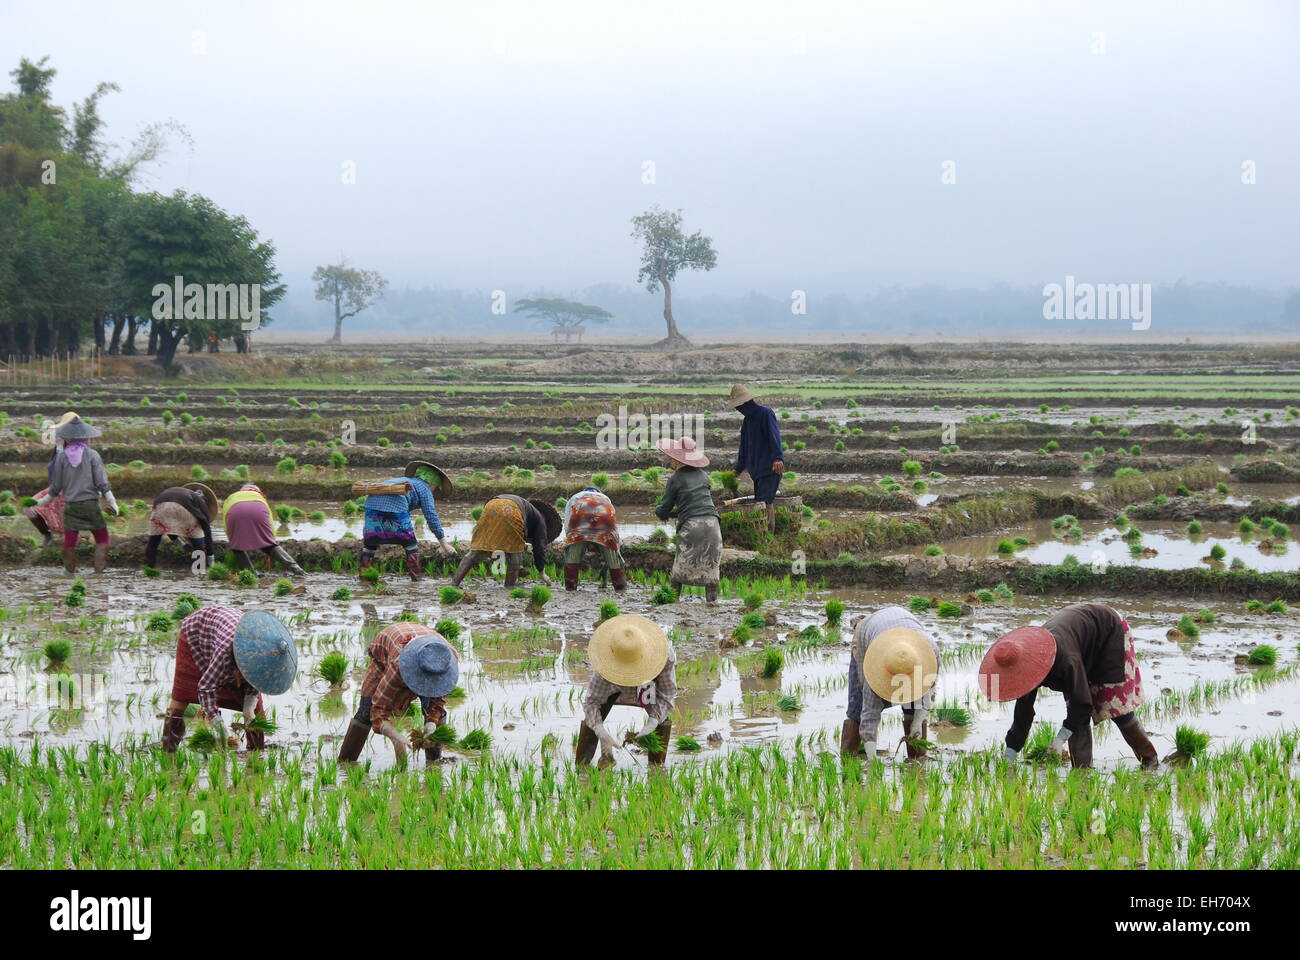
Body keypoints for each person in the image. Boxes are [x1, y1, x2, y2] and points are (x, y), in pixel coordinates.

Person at [980, 602, 1158, 770]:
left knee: (1114, 705)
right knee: (1076, 708)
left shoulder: (1064, 660)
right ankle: (1081, 770)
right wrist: (1009, 755)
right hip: (1078, 638)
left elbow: (1082, 705)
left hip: (1108, 631)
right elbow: (1023, 711)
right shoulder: (1025, 667)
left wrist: (1059, 739)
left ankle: (1150, 759)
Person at [160, 605, 298, 751]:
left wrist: (248, 709)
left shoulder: (265, 656)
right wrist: (218, 724)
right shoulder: (225, 654)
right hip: (196, 634)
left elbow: (256, 683)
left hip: (227, 636)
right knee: (182, 696)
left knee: (256, 715)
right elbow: (206, 688)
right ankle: (168, 751)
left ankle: (256, 756)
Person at [337, 622, 459, 767]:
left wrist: (431, 724)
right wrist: (395, 737)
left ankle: (433, 763)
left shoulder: (445, 660)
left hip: (424, 642)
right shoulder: (397, 666)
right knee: (366, 710)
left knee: (438, 716)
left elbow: (437, 702)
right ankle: (345, 763)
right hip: (387, 647)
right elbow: (378, 711)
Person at [578, 614, 677, 767]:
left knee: (660, 724)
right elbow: (592, 702)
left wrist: (653, 721)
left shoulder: (664, 656)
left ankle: (656, 768)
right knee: (591, 723)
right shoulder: (605, 660)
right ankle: (582, 766)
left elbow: (667, 696)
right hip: (612, 690)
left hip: (645, 688)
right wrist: (600, 730)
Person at [842, 606, 939, 760]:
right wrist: (872, 762)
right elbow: (869, 716)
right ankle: (847, 760)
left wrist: (917, 723)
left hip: (904, 628)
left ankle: (916, 763)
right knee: (857, 708)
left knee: (914, 707)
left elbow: (928, 693)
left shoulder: (929, 651)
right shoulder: (874, 671)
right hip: (868, 635)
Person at [38, 415, 117, 575]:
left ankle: (70, 573)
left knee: (70, 542)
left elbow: (56, 485)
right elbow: (101, 482)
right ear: (86, 437)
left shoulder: (62, 457)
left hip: (71, 505)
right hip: (90, 504)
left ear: (67, 437)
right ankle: (98, 573)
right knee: (102, 538)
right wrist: (112, 500)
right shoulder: (92, 455)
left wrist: (44, 500)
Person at [359, 461, 455, 581]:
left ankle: (364, 578)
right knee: (410, 544)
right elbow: (431, 516)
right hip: (396, 506)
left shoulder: (404, 481)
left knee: (370, 544)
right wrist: (443, 543)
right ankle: (416, 579)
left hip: (371, 505)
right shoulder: (425, 489)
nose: (434, 490)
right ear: (432, 483)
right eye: (436, 487)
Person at [654, 437, 721, 603]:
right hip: (713, 523)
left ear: (677, 459)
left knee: (682, 563)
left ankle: (672, 601)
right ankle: (712, 604)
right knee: (711, 566)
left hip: (692, 526)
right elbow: (697, 502)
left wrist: (659, 511)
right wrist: (680, 512)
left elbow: (664, 509)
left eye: (671, 457)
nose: (669, 459)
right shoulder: (704, 476)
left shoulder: (675, 479)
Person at [449, 494, 561, 589]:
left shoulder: (528, 510)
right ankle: (509, 588)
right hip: (511, 510)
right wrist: (542, 572)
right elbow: (539, 548)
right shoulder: (541, 522)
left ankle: (454, 583)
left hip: (491, 505)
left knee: (477, 549)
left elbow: (501, 543)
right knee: (515, 552)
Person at [726, 384, 785, 534]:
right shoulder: (747, 422)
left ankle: (767, 536)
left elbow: (774, 437)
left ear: (746, 404)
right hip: (757, 470)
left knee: (764, 503)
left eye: (738, 406)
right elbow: (744, 448)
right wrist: (738, 469)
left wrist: (778, 458)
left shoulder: (765, 414)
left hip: (770, 468)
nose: (738, 410)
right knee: (762, 502)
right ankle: (767, 535)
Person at [220, 483, 305, 576]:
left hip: (235, 511)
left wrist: (232, 538)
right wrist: (272, 541)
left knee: (237, 547)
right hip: (258, 509)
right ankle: (296, 569)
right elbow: (270, 522)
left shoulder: (232, 497)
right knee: (268, 544)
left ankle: (250, 574)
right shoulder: (259, 497)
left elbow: (225, 518)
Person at [24, 411, 78, 545]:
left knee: (64, 522)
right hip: (55, 487)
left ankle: (68, 543)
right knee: (28, 508)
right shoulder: (59, 448)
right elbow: (53, 470)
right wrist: (59, 448)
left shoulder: (78, 448)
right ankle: (47, 536)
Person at [561, 486, 626, 592]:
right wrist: (614, 544)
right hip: (605, 525)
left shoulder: (575, 497)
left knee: (572, 558)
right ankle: (620, 589)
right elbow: (612, 518)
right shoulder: (605, 498)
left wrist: (571, 539)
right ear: (598, 492)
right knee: (614, 559)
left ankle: (570, 588)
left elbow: (568, 521)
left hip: (579, 522)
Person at [144, 483, 216, 570]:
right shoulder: (201, 502)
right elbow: (206, 527)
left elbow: (169, 525)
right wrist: (210, 555)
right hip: (183, 510)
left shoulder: (179, 492)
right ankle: (199, 570)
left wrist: (178, 543)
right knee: (198, 542)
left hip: (159, 508)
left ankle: (149, 569)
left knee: (153, 541)